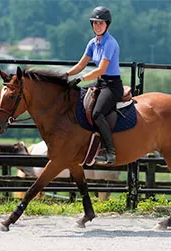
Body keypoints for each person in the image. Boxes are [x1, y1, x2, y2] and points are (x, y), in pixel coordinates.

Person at [65, 6, 124, 165]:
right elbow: (81, 64)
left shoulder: (110, 43)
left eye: (101, 23)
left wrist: (80, 79)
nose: (98, 26)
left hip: (112, 86)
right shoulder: (92, 43)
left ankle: (110, 153)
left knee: (97, 113)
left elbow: (101, 69)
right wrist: (66, 75)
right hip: (100, 82)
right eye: (95, 23)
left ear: (107, 24)